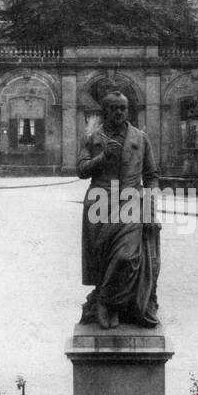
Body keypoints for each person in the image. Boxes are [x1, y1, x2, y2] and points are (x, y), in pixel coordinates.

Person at [76, 91, 160, 329]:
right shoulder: (92, 138)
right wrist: (102, 158)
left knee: (126, 256)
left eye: (123, 108)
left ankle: (106, 300)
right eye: (114, 108)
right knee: (103, 260)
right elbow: (80, 170)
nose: (119, 112)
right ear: (106, 112)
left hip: (131, 202)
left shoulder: (141, 138)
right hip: (100, 203)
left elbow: (151, 176)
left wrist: (151, 207)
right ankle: (110, 304)